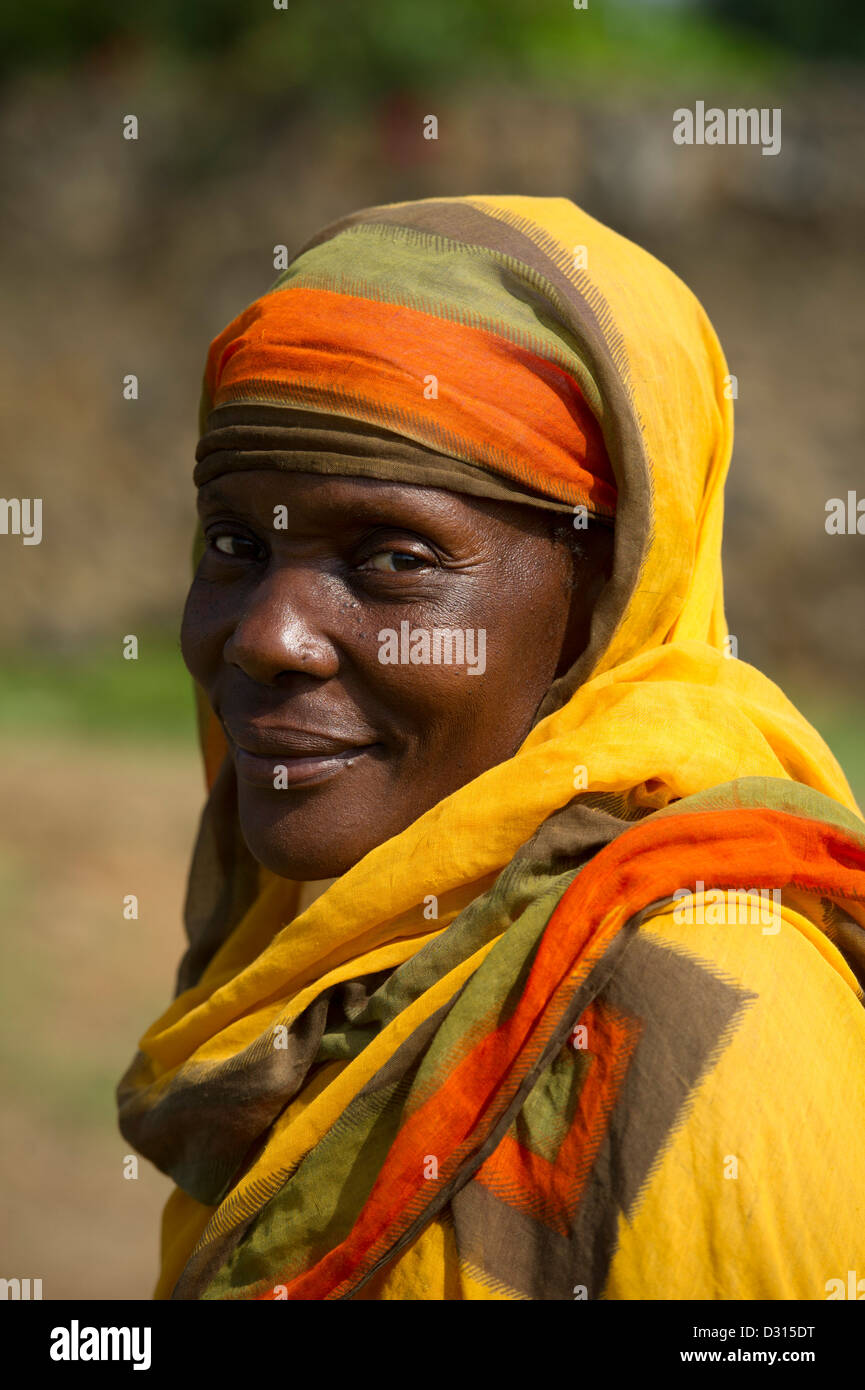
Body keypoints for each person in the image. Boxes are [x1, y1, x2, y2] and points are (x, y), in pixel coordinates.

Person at [118, 194, 865, 1301]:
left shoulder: (712, 1025)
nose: (267, 634)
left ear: (599, 596)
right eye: (234, 542)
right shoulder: (324, 967)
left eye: (393, 559)